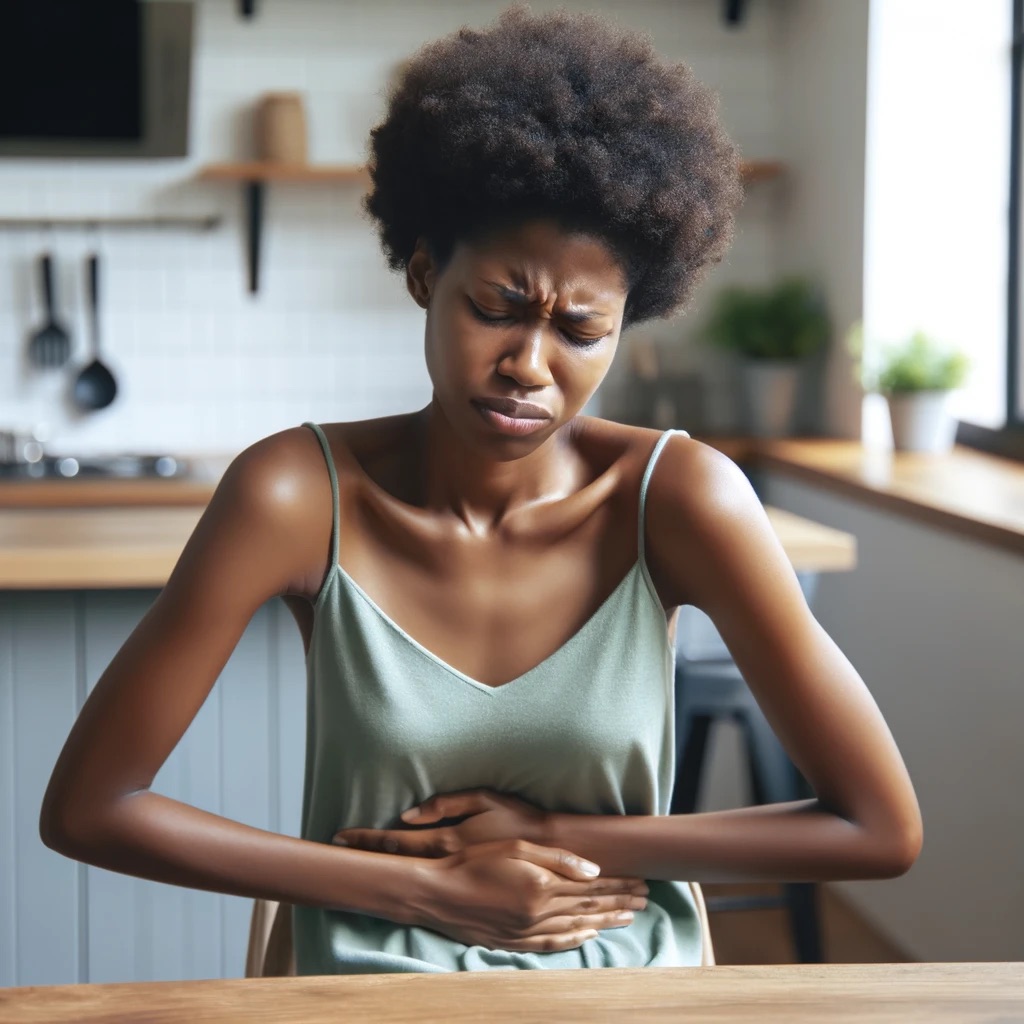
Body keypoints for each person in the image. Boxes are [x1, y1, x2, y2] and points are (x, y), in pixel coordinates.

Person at [39, 5, 922, 976]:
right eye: (496, 308)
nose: (528, 366)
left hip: (625, 987)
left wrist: (558, 830)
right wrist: (426, 885)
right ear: (424, 274)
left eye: (580, 332)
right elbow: (90, 806)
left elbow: (878, 827)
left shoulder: (680, 498)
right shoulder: (293, 494)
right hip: (365, 987)